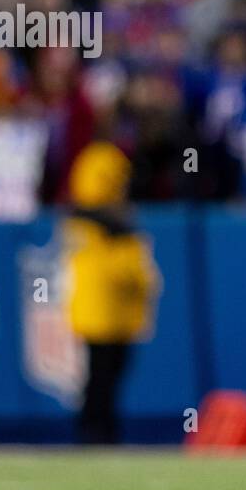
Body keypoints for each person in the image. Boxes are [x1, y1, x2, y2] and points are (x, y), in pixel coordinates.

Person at [63, 141, 161, 444]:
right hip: (104, 311)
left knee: (106, 377)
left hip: (109, 312)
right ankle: (95, 433)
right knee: (101, 378)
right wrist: (141, 277)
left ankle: (98, 432)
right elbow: (120, 270)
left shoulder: (96, 220)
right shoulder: (99, 222)